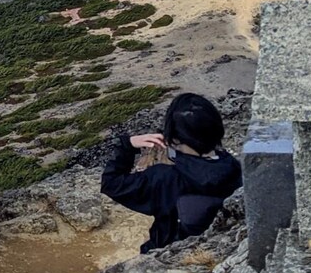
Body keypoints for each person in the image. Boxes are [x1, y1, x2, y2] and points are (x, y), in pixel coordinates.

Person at [100, 92, 242, 252]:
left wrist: (127, 144)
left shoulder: (165, 178)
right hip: (220, 245)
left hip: (169, 251)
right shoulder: (232, 166)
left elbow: (111, 183)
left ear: (174, 139)